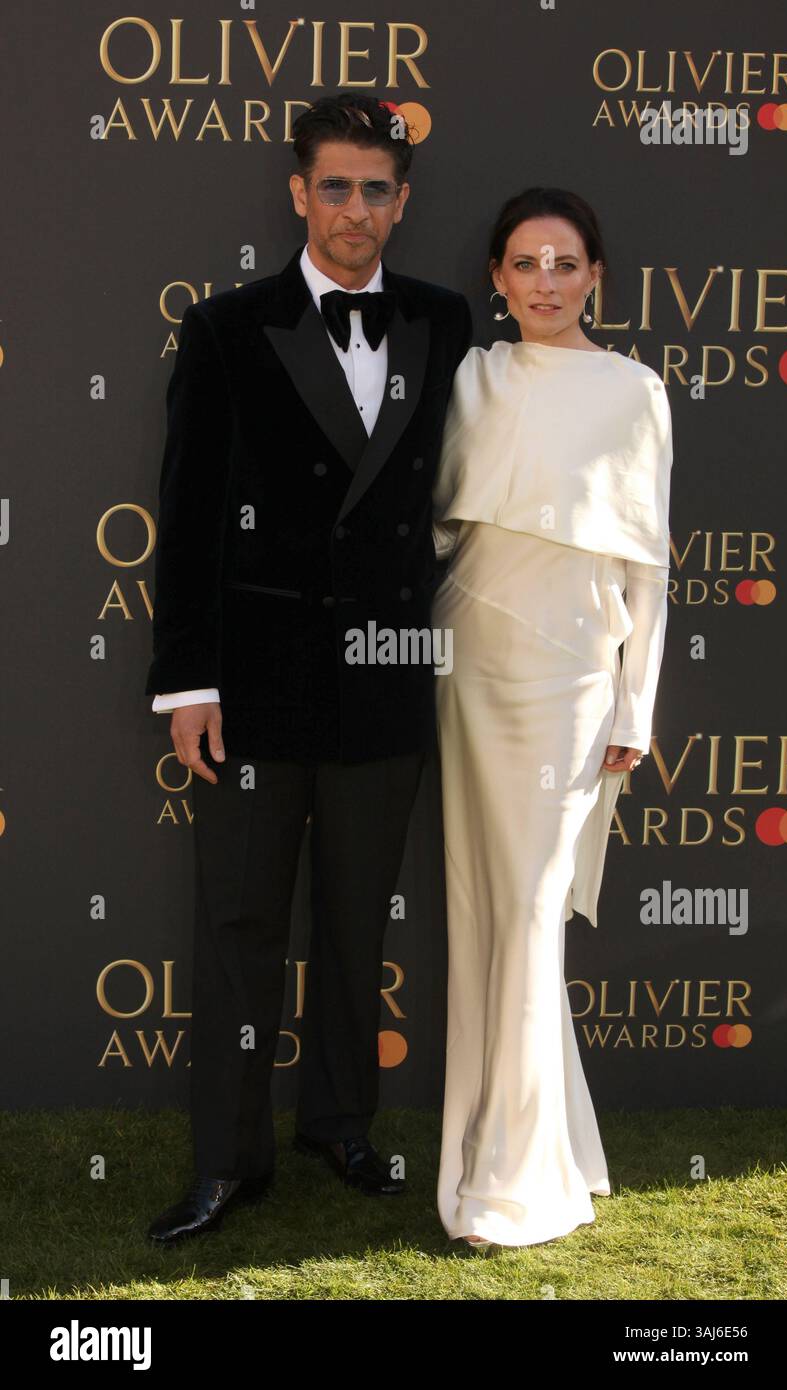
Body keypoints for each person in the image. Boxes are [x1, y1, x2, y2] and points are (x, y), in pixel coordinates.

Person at [144, 95, 472, 1244]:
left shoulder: (445, 319)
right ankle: (230, 1160)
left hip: (385, 678)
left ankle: (340, 1121)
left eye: (377, 189)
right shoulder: (229, 327)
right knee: (239, 925)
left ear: (402, 202)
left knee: (354, 924)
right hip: (254, 688)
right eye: (335, 186)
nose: (355, 209)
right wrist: (187, 683)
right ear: (298, 193)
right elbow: (184, 516)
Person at [430, 187, 673, 1249]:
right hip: (470, 661)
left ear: (596, 277)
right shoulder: (472, 380)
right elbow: (432, 524)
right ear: (497, 277)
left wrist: (638, 698)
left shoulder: (635, 392)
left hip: (575, 672)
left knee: (529, 912)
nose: (546, 282)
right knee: (483, 910)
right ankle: (532, 1143)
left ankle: (514, 1178)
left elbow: (648, 566)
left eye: (565, 263)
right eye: (525, 263)